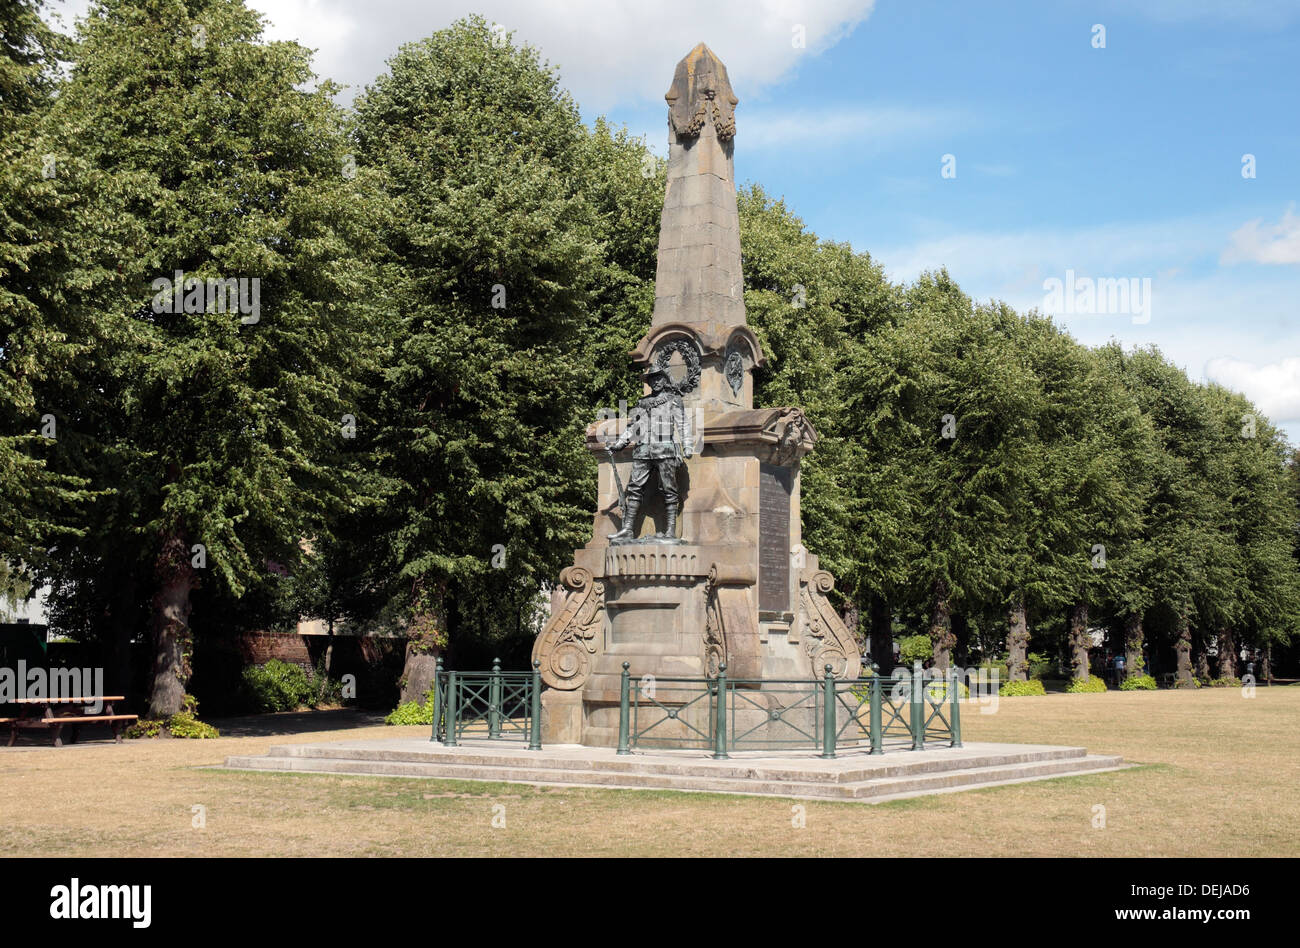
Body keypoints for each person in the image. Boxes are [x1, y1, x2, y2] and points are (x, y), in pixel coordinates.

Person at [607, 365, 692, 543]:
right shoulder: (642, 403)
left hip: (665, 450)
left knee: (669, 490)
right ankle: (627, 529)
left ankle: (670, 531)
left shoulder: (673, 400)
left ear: (665, 380)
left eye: (659, 378)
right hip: (643, 450)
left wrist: (688, 446)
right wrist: (619, 445)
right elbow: (632, 427)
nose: (656, 382)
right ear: (649, 382)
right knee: (634, 489)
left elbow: (683, 424)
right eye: (652, 379)